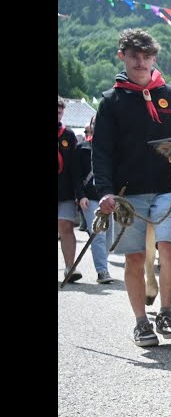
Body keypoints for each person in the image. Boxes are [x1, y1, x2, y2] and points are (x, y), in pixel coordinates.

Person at [93, 28, 171, 347]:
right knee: (136, 258)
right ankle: (141, 322)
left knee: (169, 249)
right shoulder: (111, 101)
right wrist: (105, 191)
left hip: (167, 190)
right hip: (127, 193)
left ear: (154, 58)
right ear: (122, 56)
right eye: (134, 56)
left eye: (146, 56)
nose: (140, 62)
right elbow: (102, 150)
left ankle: (165, 312)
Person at [75, 115, 115, 284]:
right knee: (98, 235)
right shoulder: (82, 148)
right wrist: (80, 195)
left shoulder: (112, 149)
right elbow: (75, 175)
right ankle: (102, 271)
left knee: (109, 238)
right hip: (89, 198)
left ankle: (102, 262)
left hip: (109, 197)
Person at [58, 97, 88, 284]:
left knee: (66, 227)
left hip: (65, 192)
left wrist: (80, 194)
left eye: (60, 112)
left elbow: (75, 169)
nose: (58, 114)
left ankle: (70, 268)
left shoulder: (68, 135)